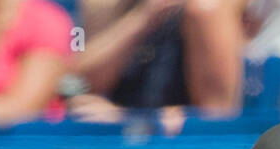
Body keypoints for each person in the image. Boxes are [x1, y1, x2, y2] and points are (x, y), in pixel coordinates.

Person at [61, 0, 243, 128]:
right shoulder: (120, 7)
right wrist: (143, 19)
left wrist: (128, 120)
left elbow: (216, 117)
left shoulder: (205, 10)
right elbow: (78, 81)